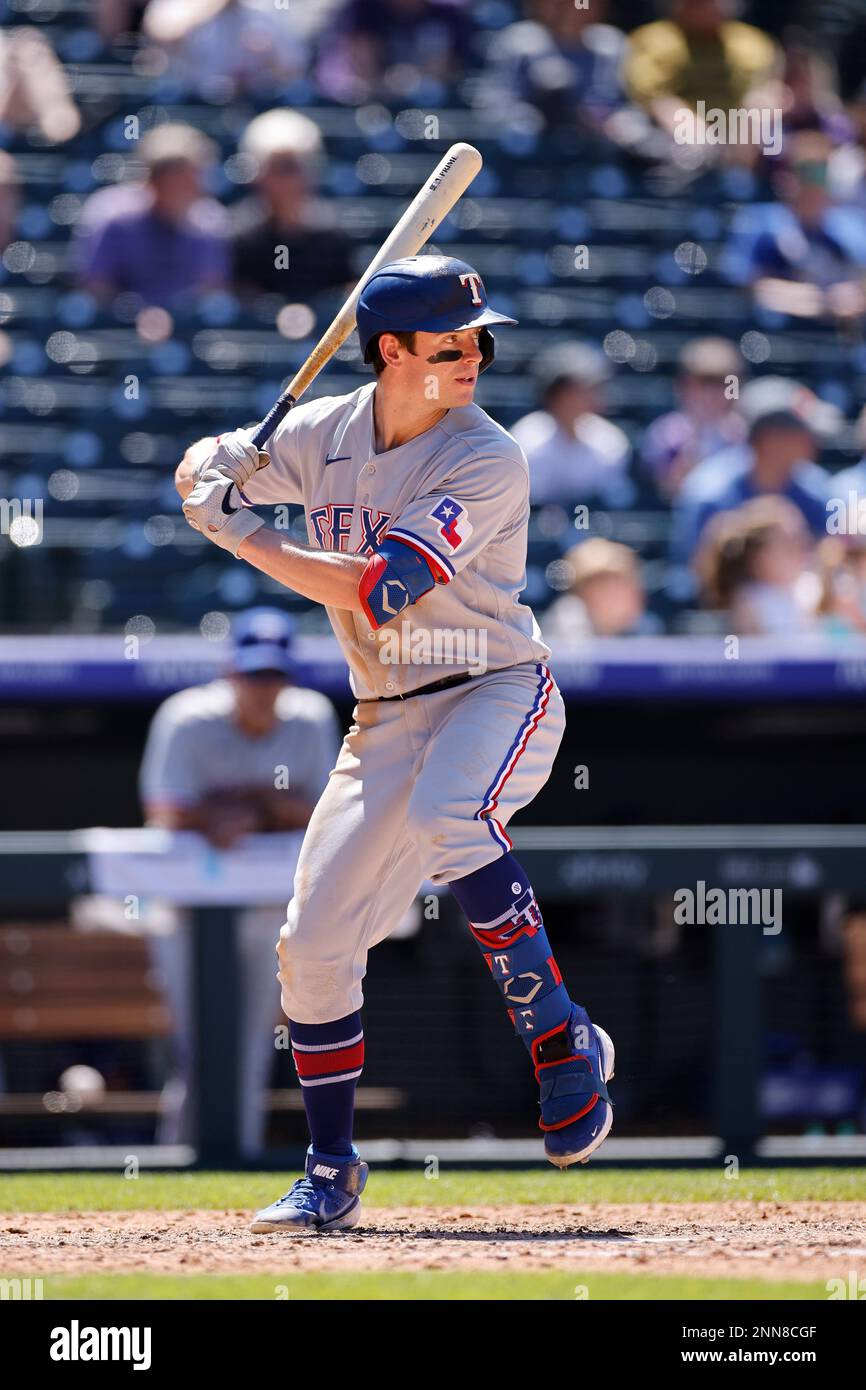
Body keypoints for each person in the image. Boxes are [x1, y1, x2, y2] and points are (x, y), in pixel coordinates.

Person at [177, 254, 617, 1233]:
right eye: (449, 344)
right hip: (381, 715)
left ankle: (557, 1036)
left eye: (477, 343)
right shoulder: (321, 432)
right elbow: (205, 458)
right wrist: (214, 468)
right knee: (311, 948)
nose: (473, 358)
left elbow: (378, 587)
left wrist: (239, 533)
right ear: (390, 352)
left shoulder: (485, 453)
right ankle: (329, 1169)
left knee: (449, 813)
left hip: (493, 688)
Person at [139, 608, 341, 1155]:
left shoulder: (310, 716)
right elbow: (163, 809)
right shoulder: (187, 717)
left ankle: (221, 1160)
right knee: (197, 1046)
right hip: (189, 909)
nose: (263, 689)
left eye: (273, 676)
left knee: (251, 1044)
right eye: (254, 675)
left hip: (268, 909)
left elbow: (326, 810)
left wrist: (252, 807)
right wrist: (222, 815)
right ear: (230, 672)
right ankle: (184, 1159)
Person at [669, 380, 833, 575]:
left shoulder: (817, 490)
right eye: (800, 434)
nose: (813, 443)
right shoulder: (710, 494)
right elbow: (699, 576)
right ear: (768, 439)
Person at [75, 123, 228, 309]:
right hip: (122, 329)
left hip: (186, 330)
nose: (194, 185)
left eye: (196, 175)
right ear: (153, 179)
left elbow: (211, 292)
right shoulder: (112, 216)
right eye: (180, 177)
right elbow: (96, 289)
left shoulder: (209, 222)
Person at [231, 109, 354, 301]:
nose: (285, 181)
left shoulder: (332, 236)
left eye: (290, 168)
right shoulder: (241, 236)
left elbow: (344, 290)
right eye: (276, 169)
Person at [511, 341, 632, 509]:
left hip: (592, 526)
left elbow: (612, 503)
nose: (591, 394)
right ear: (557, 393)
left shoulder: (610, 440)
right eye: (578, 388)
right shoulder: (526, 438)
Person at [695, 496, 820, 635]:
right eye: (790, 544)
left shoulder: (813, 587)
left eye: (804, 538)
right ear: (758, 558)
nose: (803, 548)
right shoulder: (748, 605)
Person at [641, 336, 746, 501]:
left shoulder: (745, 434)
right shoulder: (666, 433)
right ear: (684, 385)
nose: (713, 393)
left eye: (724, 383)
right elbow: (666, 491)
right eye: (704, 383)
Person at [544, 539, 653, 641]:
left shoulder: (643, 626)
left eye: (621, 584)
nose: (616, 596)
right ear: (583, 591)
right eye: (605, 585)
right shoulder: (569, 615)